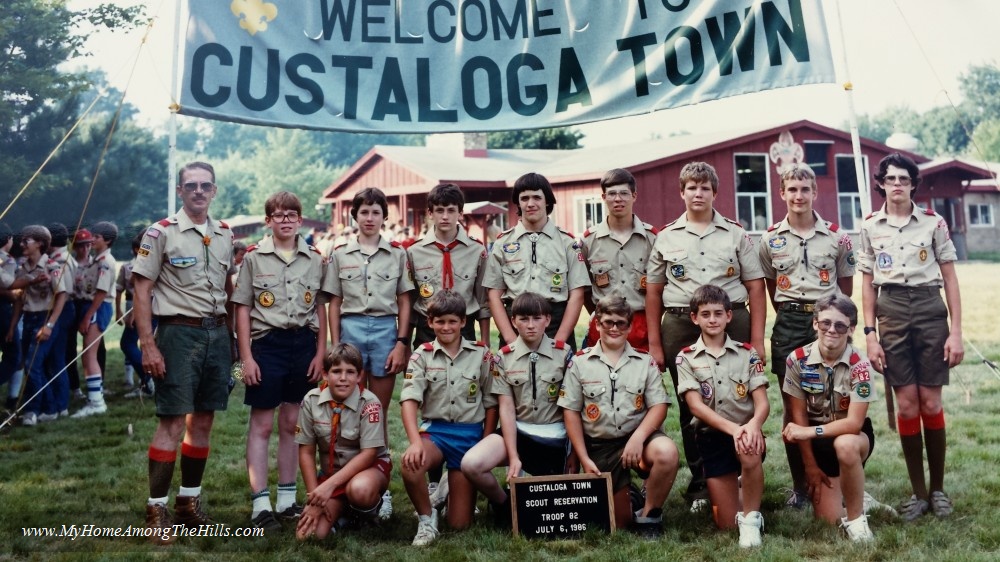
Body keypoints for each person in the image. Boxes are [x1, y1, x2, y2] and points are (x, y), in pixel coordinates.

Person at [645, 161, 766, 510]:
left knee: (739, 397)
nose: (698, 194)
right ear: (681, 192)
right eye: (691, 188)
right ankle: (701, 481)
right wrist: (655, 343)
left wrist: (756, 340)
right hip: (682, 323)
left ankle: (745, 470)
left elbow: (755, 287)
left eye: (705, 188)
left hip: (732, 320)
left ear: (715, 192)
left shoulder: (735, 234)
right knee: (692, 402)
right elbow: (653, 292)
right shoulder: (666, 237)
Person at [132, 161, 235, 541]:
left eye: (205, 186)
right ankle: (156, 509)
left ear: (214, 190)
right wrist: (149, 345)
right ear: (180, 191)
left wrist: (233, 344)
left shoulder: (225, 234)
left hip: (216, 336)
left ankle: (188, 503)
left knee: (204, 420)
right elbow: (141, 289)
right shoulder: (160, 233)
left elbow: (227, 287)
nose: (198, 191)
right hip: (177, 335)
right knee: (173, 422)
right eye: (190, 185)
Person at [859, 152, 963, 521]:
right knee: (906, 405)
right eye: (891, 179)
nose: (898, 185)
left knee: (931, 404)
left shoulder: (933, 223)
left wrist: (956, 332)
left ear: (913, 184)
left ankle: (938, 490)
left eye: (904, 179)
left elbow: (950, 278)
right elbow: (868, 284)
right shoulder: (870, 226)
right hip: (892, 313)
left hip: (929, 309)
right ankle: (918, 493)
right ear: (882, 183)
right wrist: (870, 335)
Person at [757, 163, 856, 507]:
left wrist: (829, 321)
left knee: (836, 402)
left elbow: (846, 289)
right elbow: (772, 288)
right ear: (782, 194)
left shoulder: (837, 236)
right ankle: (801, 486)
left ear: (815, 193)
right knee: (794, 408)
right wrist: (795, 314)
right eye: (792, 189)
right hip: (790, 322)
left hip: (828, 320)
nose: (798, 196)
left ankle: (841, 478)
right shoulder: (770, 239)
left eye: (805, 189)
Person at [233, 191, 328, 531]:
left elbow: (320, 308)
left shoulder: (315, 259)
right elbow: (242, 308)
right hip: (267, 345)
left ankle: (287, 499)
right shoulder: (254, 258)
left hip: (302, 344)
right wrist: (246, 357)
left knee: (292, 423)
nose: (285, 220)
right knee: (262, 425)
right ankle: (261, 503)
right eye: (278, 215)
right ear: (268, 221)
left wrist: (320, 352)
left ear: (300, 220)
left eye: (291, 215)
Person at [324, 186, 414, 520]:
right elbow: (333, 300)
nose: (370, 218)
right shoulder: (339, 253)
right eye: (364, 212)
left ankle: (381, 488)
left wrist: (401, 341)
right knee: (348, 410)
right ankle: (343, 483)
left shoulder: (397, 254)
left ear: (384, 217)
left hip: (385, 330)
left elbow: (405, 299)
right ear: (355, 216)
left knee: (376, 411)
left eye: (376, 212)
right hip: (351, 329)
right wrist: (337, 344)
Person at [558, 294, 679, 534]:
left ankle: (649, 515)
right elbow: (570, 412)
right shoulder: (580, 363)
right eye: (608, 322)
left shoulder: (645, 362)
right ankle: (631, 498)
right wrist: (583, 458)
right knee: (619, 524)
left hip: (638, 440)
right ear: (597, 324)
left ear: (629, 326)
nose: (614, 328)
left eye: (620, 323)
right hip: (601, 445)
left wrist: (638, 438)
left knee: (667, 452)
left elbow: (659, 406)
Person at [461, 292, 575, 522]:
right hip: (518, 432)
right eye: (523, 319)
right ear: (513, 321)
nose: (530, 325)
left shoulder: (565, 354)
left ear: (548, 320)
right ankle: (505, 505)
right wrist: (514, 456)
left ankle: (524, 500)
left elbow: (572, 409)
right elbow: (506, 409)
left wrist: (573, 453)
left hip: (554, 437)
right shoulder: (504, 358)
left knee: (551, 514)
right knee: (471, 464)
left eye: (536, 318)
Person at [399, 291, 497, 547]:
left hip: (470, 436)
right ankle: (426, 519)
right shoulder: (422, 355)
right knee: (411, 465)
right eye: (440, 321)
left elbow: (491, 402)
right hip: (437, 433)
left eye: (452, 321)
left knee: (459, 524)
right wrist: (415, 442)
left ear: (464, 322)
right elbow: (409, 401)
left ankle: (444, 489)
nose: (446, 327)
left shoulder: (481, 354)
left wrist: (485, 442)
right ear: (429, 323)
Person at [676, 285, 769, 548]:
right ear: (695, 318)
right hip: (712, 437)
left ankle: (751, 520)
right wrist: (733, 430)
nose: (713, 319)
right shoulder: (686, 358)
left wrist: (752, 426)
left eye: (719, 313)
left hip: (746, 433)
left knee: (748, 449)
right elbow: (696, 407)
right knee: (726, 523)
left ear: (729, 315)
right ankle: (741, 488)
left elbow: (762, 403)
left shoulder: (747, 353)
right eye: (705, 314)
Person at [781, 294, 878, 542]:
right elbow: (799, 417)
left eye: (840, 325)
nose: (831, 330)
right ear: (815, 324)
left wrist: (810, 433)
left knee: (844, 445)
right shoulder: (797, 360)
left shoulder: (860, 364)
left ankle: (857, 521)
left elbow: (854, 423)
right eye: (825, 323)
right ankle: (862, 499)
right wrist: (810, 467)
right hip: (817, 443)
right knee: (828, 521)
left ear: (851, 329)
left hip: (852, 437)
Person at [295, 343, 392, 540]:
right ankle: (343, 513)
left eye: (350, 372)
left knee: (360, 490)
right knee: (307, 536)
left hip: (368, 471)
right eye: (336, 371)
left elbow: (369, 454)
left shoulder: (370, 403)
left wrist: (328, 487)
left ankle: (365, 514)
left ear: (359, 376)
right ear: (324, 374)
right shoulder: (311, 401)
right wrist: (315, 497)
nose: (343, 378)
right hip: (332, 475)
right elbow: (306, 452)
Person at [483, 172, 588, 349]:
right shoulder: (503, 244)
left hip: (555, 325)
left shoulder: (566, 243)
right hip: (515, 324)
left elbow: (577, 294)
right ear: (518, 202)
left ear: (547, 201)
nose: (530, 203)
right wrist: (510, 339)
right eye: (524, 198)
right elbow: (493, 295)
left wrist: (560, 340)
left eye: (537, 197)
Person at [580, 168, 658, 351]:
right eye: (612, 194)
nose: (618, 199)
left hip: (642, 324)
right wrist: (600, 314)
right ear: (603, 197)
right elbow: (583, 289)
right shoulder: (589, 241)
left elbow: (660, 289)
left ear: (634, 196)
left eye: (624, 193)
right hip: (604, 325)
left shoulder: (653, 238)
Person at [407, 183, 489, 346]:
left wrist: (485, 341)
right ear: (430, 213)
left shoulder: (477, 251)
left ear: (460, 213)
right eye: (439, 210)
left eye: (451, 210)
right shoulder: (413, 252)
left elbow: (483, 301)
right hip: (427, 329)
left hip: (464, 328)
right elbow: (410, 302)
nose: (445, 216)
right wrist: (405, 344)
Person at [12, 225, 73, 425]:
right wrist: (13, 326)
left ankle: (39, 409)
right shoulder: (23, 268)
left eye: (26, 241)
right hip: (28, 318)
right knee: (32, 365)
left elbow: (61, 295)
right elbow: (21, 299)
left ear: (39, 243)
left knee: (33, 364)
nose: (21, 244)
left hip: (44, 318)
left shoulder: (52, 267)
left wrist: (49, 325)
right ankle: (46, 407)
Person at [71, 221, 118, 418]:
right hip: (94, 306)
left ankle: (97, 403)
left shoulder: (105, 261)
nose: (93, 240)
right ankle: (94, 397)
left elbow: (101, 292)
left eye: (96, 237)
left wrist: (87, 316)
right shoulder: (97, 259)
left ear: (106, 240)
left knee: (90, 355)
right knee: (87, 355)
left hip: (98, 307)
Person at [117, 231, 154, 398]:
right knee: (140, 344)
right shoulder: (149, 254)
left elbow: (135, 280)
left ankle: (149, 378)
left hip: (147, 305)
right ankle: (147, 381)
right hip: (142, 303)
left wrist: (134, 312)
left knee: (128, 343)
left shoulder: (148, 253)